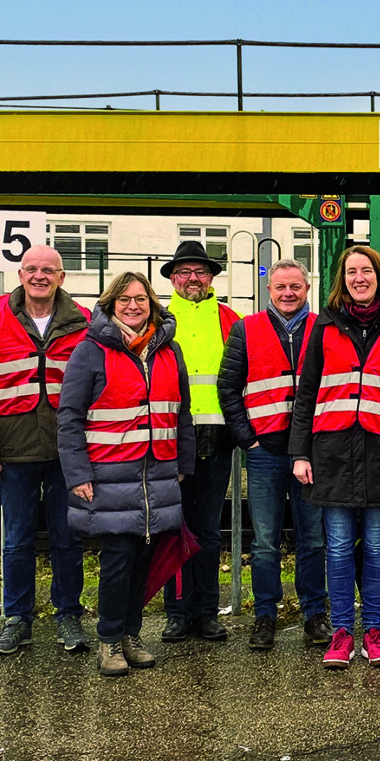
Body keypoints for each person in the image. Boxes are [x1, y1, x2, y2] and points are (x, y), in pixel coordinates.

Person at [290, 245, 380, 669]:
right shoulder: (325, 326)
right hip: (333, 453)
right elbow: (307, 391)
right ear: (342, 279)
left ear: (379, 276)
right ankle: (343, 633)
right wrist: (300, 452)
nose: (359, 278)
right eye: (351, 272)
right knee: (337, 547)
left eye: (366, 271)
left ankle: (375, 630)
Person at [57, 272, 195, 677]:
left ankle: (132, 634)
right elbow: (69, 417)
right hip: (109, 474)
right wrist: (77, 473)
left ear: (152, 303)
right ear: (110, 304)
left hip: (158, 474)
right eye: (124, 300)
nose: (133, 306)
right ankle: (109, 639)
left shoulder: (169, 352)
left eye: (141, 299)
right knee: (117, 560)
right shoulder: (91, 351)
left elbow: (180, 412)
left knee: (144, 560)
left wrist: (182, 465)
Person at [0, 245, 92, 657]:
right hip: (14, 453)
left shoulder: (84, 324)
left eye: (49, 270)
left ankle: (68, 615)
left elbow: (99, 391)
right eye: (32, 269)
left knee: (68, 539)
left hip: (67, 454)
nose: (40, 276)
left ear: (62, 277)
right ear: (20, 275)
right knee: (17, 541)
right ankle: (16, 618)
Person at [216, 258, 331, 649]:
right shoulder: (244, 330)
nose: (287, 293)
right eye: (280, 286)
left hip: (311, 452)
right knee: (264, 541)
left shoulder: (325, 328)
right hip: (264, 451)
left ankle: (315, 613)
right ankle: (265, 614)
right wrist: (246, 439)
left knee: (313, 538)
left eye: (295, 286)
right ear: (269, 290)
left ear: (307, 288)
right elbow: (228, 388)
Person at [159, 241, 241, 644]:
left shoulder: (230, 320)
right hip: (168, 438)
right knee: (172, 529)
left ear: (211, 277)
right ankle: (176, 613)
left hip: (216, 437)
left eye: (200, 272)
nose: (193, 279)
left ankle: (207, 611)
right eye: (184, 272)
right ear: (173, 278)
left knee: (208, 530)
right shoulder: (158, 319)